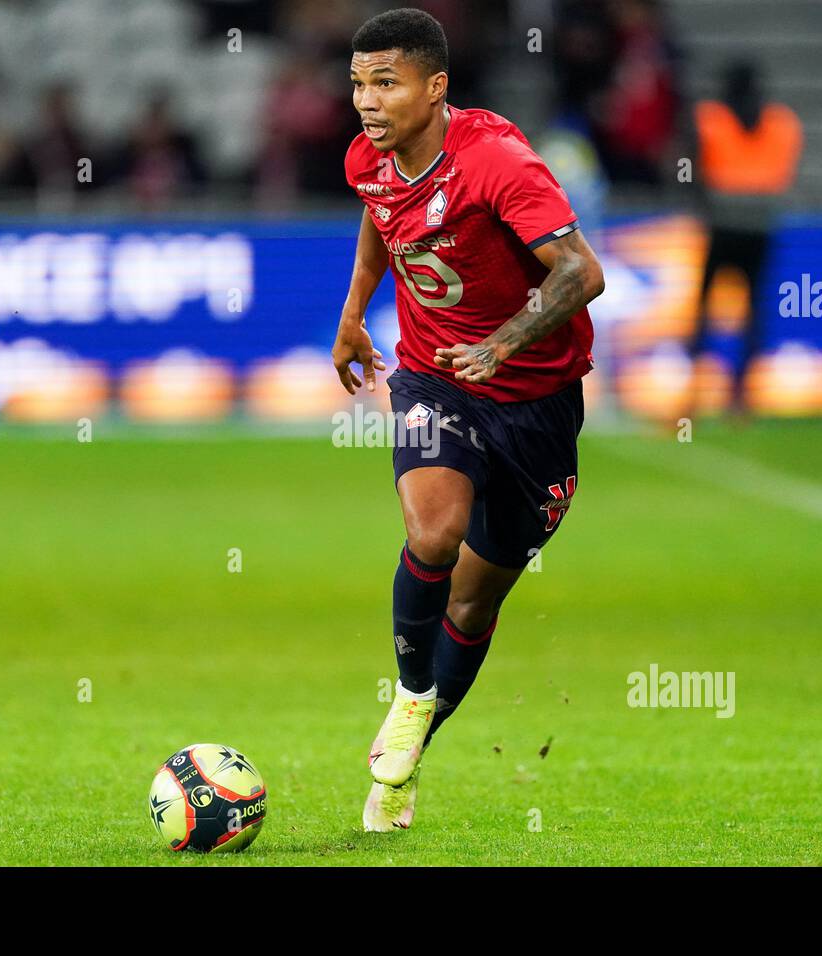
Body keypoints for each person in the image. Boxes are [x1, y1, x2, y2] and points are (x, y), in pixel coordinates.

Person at [330, 8, 605, 832]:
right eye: (358, 84)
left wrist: (506, 340)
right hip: (433, 380)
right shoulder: (367, 159)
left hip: (536, 407)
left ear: (435, 87)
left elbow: (581, 273)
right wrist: (353, 313)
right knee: (433, 535)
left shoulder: (498, 162)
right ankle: (413, 696)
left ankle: (407, 755)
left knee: (473, 607)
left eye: (387, 83)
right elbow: (382, 219)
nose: (368, 103)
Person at [686, 61, 802, 408]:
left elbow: (694, 169)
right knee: (754, 308)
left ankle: (694, 392)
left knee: (705, 306)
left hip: (722, 224)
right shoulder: (781, 122)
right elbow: (785, 170)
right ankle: (742, 398)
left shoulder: (711, 118)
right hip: (761, 226)